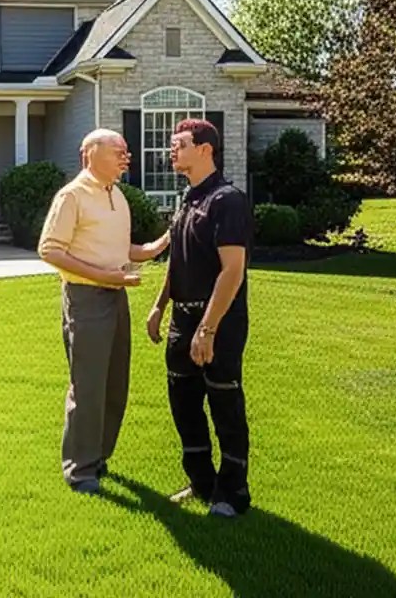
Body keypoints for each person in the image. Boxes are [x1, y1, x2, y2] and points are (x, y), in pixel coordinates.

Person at [38, 129, 170, 495]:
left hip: (116, 297)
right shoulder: (72, 196)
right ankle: (80, 471)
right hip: (86, 298)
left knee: (115, 385)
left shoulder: (118, 196)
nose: (125, 157)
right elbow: (50, 250)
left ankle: (98, 458)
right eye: (118, 151)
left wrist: (159, 244)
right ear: (89, 155)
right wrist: (103, 275)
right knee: (89, 385)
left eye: (126, 152)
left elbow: (119, 248)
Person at [145, 118, 254, 518]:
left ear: (205, 148)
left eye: (179, 144)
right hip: (181, 320)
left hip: (218, 323)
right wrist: (160, 305)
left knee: (224, 404)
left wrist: (207, 329)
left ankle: (232, 493)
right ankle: (201, 482)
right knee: (185, 404)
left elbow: (232, 271)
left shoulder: (227, 200)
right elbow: (177, 260)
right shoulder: (187, 199)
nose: (171, 151)